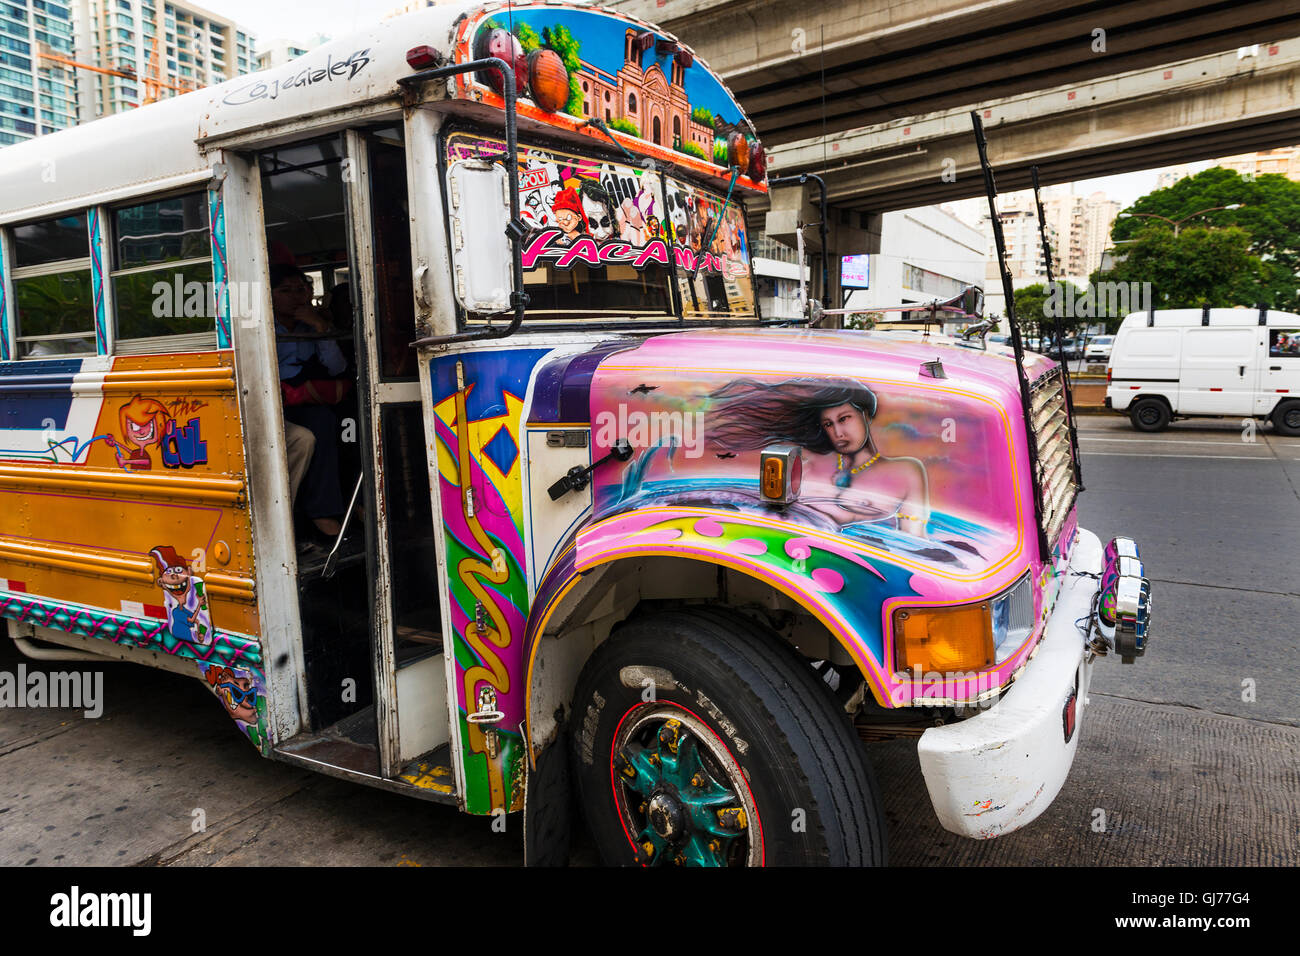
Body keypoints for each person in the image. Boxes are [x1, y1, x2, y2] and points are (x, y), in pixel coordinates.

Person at [708, 378, 931, 536]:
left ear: (864, 414)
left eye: (844, 418)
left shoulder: (906, 471)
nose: (838, 433)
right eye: (828, 424)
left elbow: (914, 537)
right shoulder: (809, 467)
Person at [272, 264, 347, 541]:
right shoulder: (263, 324)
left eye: (302, 290)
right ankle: (319, 512)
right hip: (273, 400)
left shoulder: (313, 323)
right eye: (286, 291)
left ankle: (335, 507)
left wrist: (320, 329)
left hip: (305, 398)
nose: (296, 297)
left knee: (343, 423)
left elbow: (337, 368)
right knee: (319, 425)